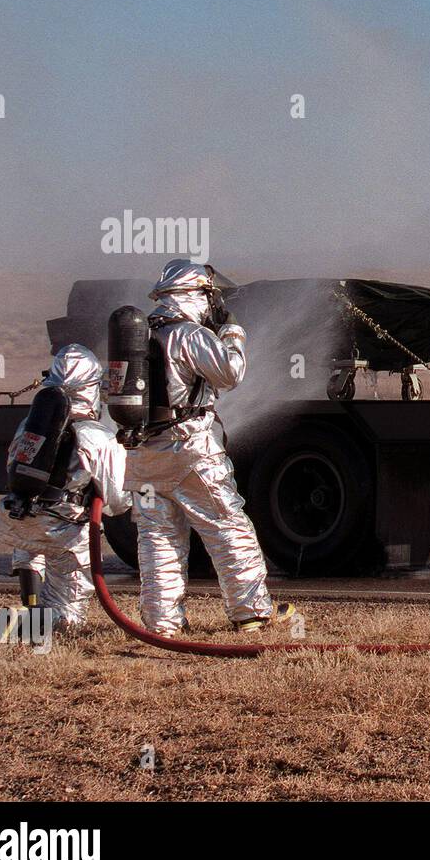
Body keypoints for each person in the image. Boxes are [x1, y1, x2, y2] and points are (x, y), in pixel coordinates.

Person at [128, 259, 292, 635]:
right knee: (227, 525)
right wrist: (232, 333)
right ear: (195, 294)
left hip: (145, 455)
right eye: (208, 295)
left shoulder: (141, 334)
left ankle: (162, 623)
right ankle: (250, 611)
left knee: (159, 539)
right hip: (189, 449)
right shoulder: (189, 335)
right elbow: (230, 374)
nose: (212, 303)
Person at [0, 345, 131, 631]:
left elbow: (12, 466)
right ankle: (21, 626)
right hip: (63, 529)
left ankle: (30, 606)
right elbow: (116, 502)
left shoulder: (29, 425)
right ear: (92, 387)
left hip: (18, 517)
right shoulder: (98, 436)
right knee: (67, 616)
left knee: (32, 552)